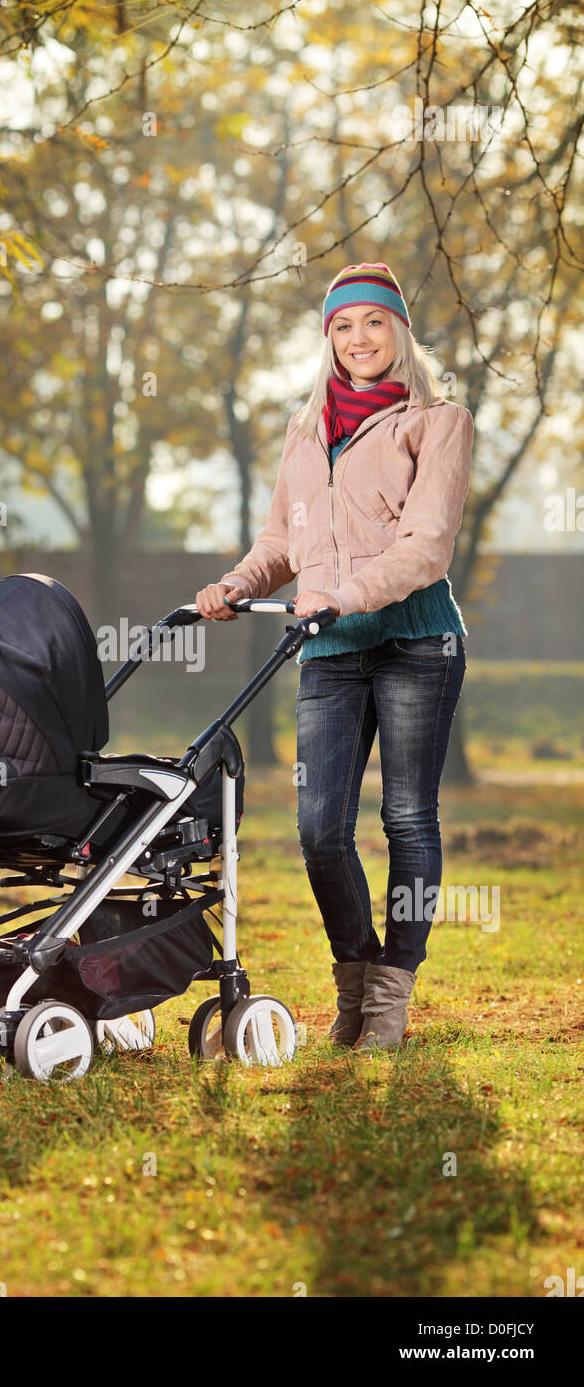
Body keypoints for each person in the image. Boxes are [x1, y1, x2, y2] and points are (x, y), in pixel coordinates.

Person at [195, 262, 473, 1052]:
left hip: (417, 638)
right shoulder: (305, 425)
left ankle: (390, 997)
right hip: (328, 649)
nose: (359, 339)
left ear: (401, 331)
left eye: (374, 323)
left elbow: (427, 547)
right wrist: (236, 583)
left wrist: (347, 594)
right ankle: (354, 977)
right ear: (329, 338)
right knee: (320, 829)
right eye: (343, 326)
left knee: (409, 816)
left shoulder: (438, 420)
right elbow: (283, 539)